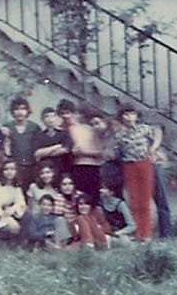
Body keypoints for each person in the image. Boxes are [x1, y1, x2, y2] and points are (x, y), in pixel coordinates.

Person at [113, 103, 161, 241]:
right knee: (134, 200)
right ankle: (137, 232)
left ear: (136, 115)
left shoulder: (145, 129)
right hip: (129, 166)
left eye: (132, 114)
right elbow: (116, 153)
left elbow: (158, 134)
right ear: (122, 117)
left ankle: (146, 234)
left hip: (144, 164)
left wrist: (153, 149)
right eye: (126, 114)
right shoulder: (120, 134)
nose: (129, 117)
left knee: (145, 199)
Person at [3, 97, 40, 193]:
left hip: (31, 167)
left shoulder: (35, 127)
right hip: (14, 169)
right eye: (16, 109)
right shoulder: (7, 127)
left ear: (27, 111)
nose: (20, 112)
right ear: (12, 112)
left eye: (23, 109)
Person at [69, 107, 104, 205]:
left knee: (93, 197)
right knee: (80, 196)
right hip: (78, 166)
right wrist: (74, 152)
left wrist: (84, 152)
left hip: (94, 166)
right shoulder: (73, 129)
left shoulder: (96, 129)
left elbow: (101, 152)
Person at [33, 107, 72, 178]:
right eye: (47, 117)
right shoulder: (39, 135)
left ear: (56, 118)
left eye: (52, 116)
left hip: (62, 168)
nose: (50, 119)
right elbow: (37, 153)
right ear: (42, 120)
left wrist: (45, 152)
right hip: (45, 171)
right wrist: (57, 146)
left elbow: (65, 150)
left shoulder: (64, 132)